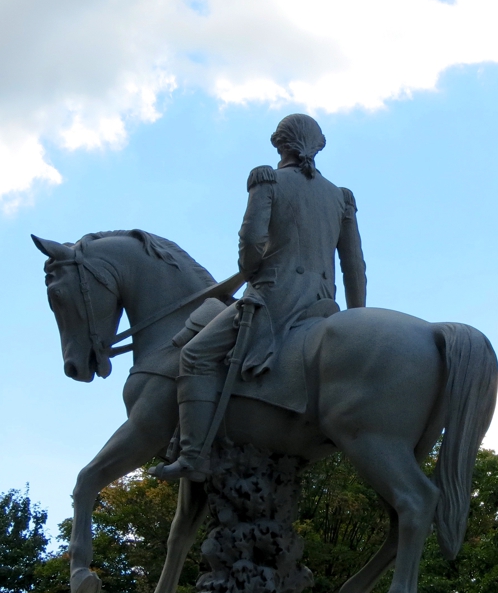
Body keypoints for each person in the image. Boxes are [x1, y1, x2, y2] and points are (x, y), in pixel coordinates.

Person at [152, 114, 366, 482]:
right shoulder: (340, 197)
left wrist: (250, 268)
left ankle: (193, 457)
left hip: (274, 297)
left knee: (195, 355)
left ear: (279, 143)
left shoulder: (267, 179)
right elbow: (354, 266)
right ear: (319, 144)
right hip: (323, 303)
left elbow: (251, 238)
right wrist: (356, 318)